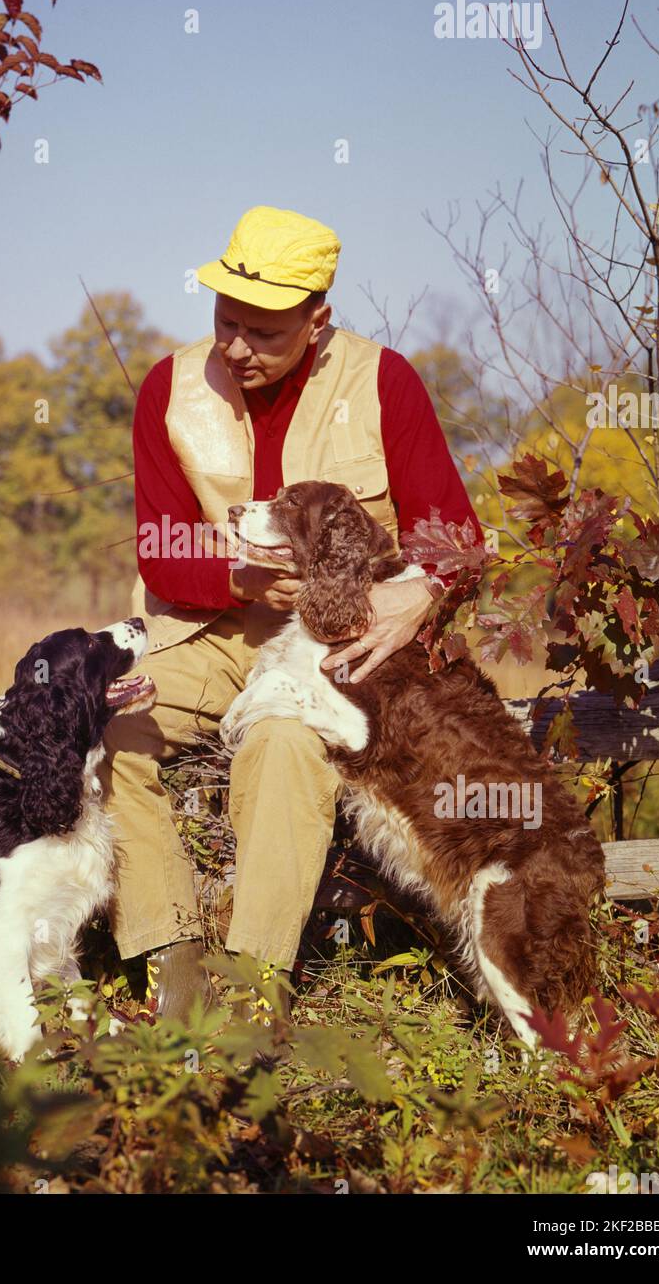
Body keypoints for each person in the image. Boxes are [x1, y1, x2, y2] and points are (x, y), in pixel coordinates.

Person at [103, 204, 481, 1021]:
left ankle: (252, 992)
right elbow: (160, 550)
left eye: (263, 332)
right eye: (224, 321)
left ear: (317, 319)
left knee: (281, 741)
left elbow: (452, 536)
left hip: (326, 653)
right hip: (205, 632)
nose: (235, 348)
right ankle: (172, 968)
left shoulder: (384, 381)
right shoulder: (169, 387)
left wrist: (418, 593)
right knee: (107, 721)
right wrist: (240, 583)